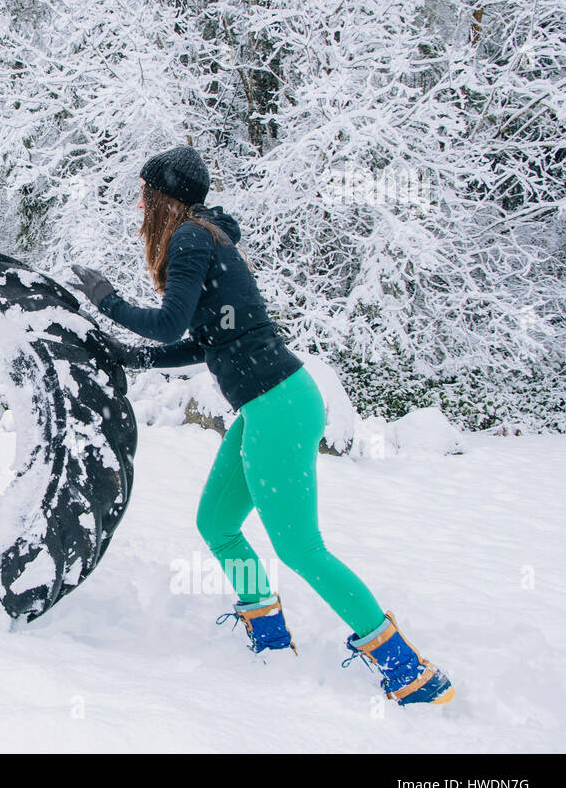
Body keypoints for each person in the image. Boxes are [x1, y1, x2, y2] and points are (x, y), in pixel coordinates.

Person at [67, 145, 454, 707]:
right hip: (268, 406)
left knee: (301, 549)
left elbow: (169, 322)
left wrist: (106, 299)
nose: (139, 203)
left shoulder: (191, 239)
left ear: (162, 198)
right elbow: (204, 340)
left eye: (145, 193)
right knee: (216, 523)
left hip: (279, 406)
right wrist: (129, 357)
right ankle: (269, 635)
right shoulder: (207, 239)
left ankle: (409, 672)